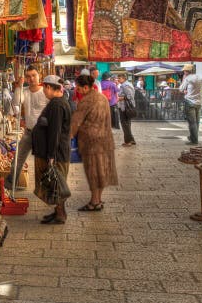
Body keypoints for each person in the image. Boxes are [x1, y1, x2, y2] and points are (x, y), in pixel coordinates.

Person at [70, 75, 119, 211]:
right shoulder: (102, 97)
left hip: (91, 143)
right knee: (101, 172)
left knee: (93, 172)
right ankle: (98, 199)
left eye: (78, 88)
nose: (77, 90)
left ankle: (94, 202)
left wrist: (68, 136)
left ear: (86, 87)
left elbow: (75, 122)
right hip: (105, 140)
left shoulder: (86, 100)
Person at [32, 75, 72, 224]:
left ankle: (61, 214)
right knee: (55, 183)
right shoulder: (59, 102)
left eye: (44, 88)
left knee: (57, 183)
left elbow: (55, 131)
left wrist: (51, 156)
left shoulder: (56, 104)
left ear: (48, 87)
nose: (43, 91)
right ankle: (57, 212)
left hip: (56, 153)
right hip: (57, 151)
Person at [8, 65, 49, 191]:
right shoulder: (24, 91)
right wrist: (19, 86)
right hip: (28, 132)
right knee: (17, 159)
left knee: (43, 161)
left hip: (43, 133)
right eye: (28, 76)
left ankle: (46, 187)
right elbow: (16, 103)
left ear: (39, 76)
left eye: (33, 75)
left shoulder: (45, 92)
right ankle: (10, 185)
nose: (31, 78)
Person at [180, 64, 202, 145]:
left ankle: (194, 140)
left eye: (184, 71)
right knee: (197, 122)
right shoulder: (199, 78)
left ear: (186, 71)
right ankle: (193, 137)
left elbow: (181, 89)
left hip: (190, 102)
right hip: (199, 102)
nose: (183, 72)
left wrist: (183, 79)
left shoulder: (188, 78)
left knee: (192, 122)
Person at [117, 73, 136, 146]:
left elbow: (129, 96)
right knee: (127, 124)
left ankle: (128, 141)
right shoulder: (126, 85)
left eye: (119, 78)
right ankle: (131, 140)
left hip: (125, 107)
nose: (118, 80)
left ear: (124, 78)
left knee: (125, 124)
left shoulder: (125, 85)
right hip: (124, 107)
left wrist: (120, 98)